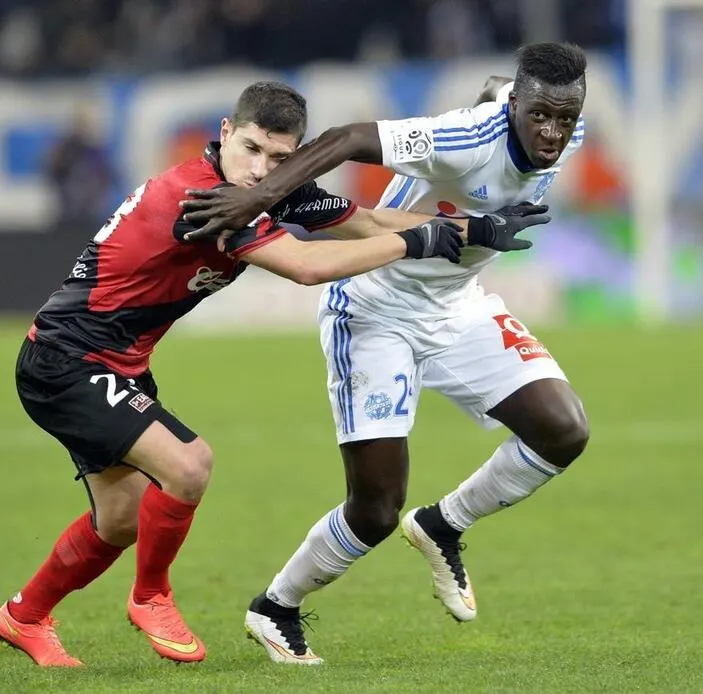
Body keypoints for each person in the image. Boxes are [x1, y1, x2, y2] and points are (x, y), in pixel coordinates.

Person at [0, 80, 546, 668]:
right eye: (251, 148)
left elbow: (365, 222)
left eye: (279, 158)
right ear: (225, 133)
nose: (260, 170)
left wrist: (471, 230)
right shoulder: (203, 199)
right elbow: (306, 267)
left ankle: (25, 616)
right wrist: (416, 243)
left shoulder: (269, 193)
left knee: (121, 520)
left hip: (118, 364)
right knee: (189, 465)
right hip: (66, 358)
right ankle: (151, 596)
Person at [181, 43, 590, 664]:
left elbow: (508, 92)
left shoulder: (556, 118)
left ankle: (443, 524)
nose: (553, 132)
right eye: (539, 116)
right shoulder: (462, 138)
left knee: (563, 430)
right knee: (375, 509)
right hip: (377, 307)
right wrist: (254, 200)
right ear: (515, 107)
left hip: (458, 305)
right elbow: (345, 138)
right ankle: (276, 607)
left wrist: (502, 97)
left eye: (565, 118)